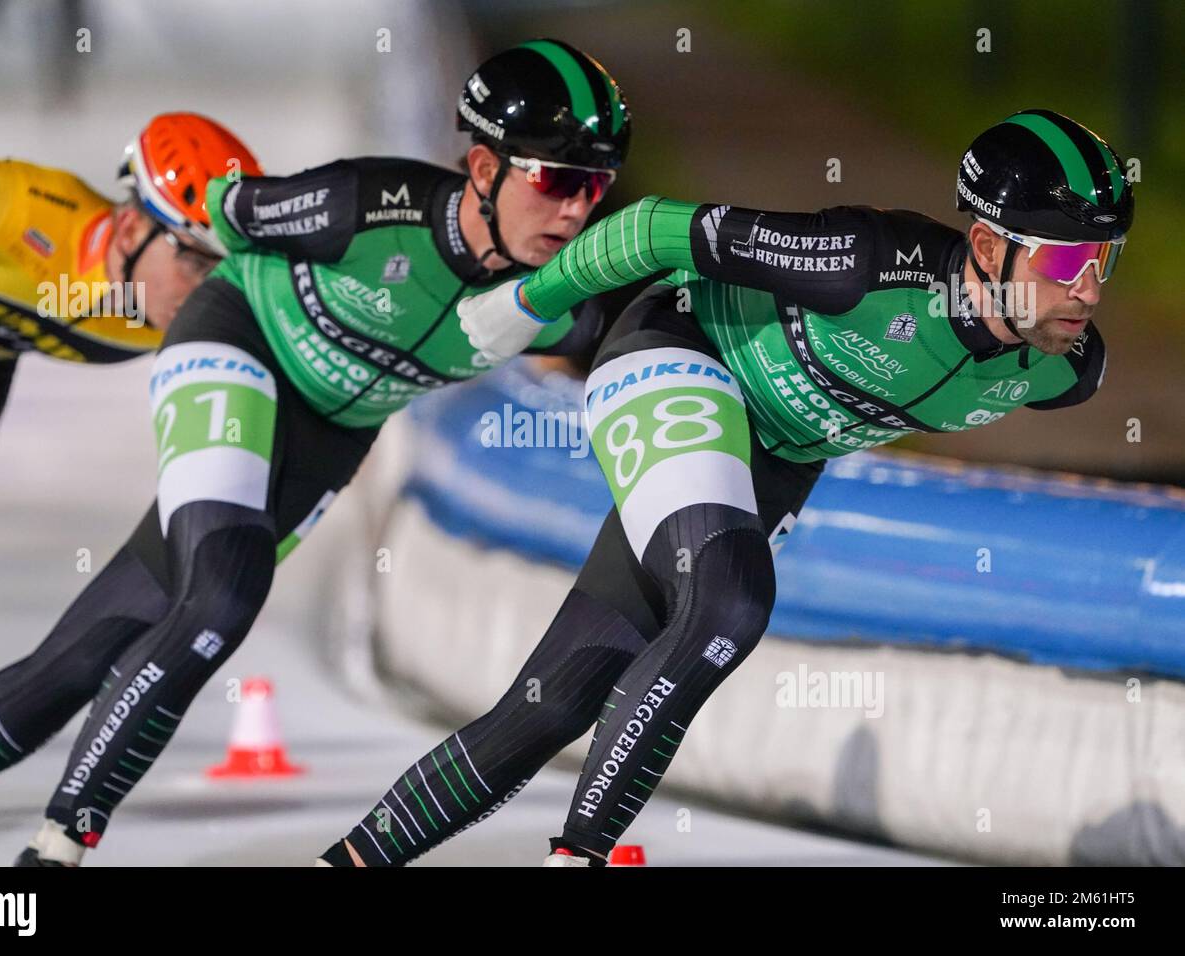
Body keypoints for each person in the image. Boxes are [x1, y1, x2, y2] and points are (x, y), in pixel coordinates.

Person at [0, 39, 631, 865]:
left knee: (87, 651)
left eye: (595, 186)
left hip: (328, 435)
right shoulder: (365, 202)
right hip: (241, 346)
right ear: (485, 169)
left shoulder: (568, 303)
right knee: (223, 594)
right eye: (558, 180)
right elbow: (228, 214)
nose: (576, 212)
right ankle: (59, 843)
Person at [319, 108, 1132, 866]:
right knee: (729, 601)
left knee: (553, 702)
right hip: (682, 350)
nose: (1089, 291)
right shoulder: (867, 264)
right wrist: (521, 307)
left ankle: (350, 859)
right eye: (1065, 260)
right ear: (989, 248)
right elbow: (646, 229)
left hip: (773, 455)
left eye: (1106, 259)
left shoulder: (1064, 370)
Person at [0, 112, 261, 641]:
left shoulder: (203, 309)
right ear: (131, 228)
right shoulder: (3, 208)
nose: (210, 291)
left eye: (227, 272)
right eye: (196, 262)